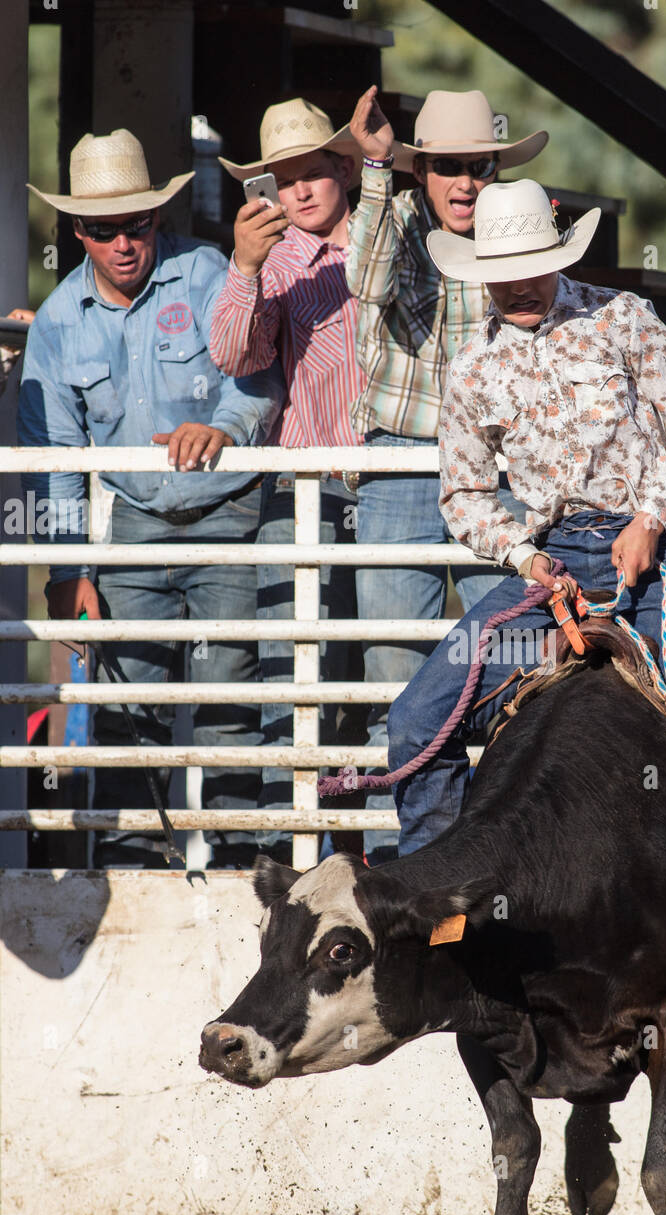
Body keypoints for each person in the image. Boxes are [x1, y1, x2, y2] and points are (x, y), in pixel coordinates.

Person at [386, 178, 666, 1030]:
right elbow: (464, 496)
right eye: (505, 271)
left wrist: (651, 517)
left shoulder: (621, 321)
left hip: (656, 553)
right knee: (416, 727)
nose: (522, 284)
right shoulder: (475, 369)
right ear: (480, 274)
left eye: (535, 265)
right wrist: (526, 558)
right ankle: (448, 925)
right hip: (549, 571)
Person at [19, 129, 283, 870]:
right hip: (130, 525)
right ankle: (134, 863)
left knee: (230, 697)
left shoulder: (208, 274)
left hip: (229, 510)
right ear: (77, 232)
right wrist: (67, 571)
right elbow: (55, 461)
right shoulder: (58, 321)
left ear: (156, 220)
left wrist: (223, 427)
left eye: (135, 225)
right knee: (127, 705)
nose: (123, 243)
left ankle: (241, 870)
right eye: (104, 230)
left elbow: (259, 380)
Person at [345, 86, 546, 864]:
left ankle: (491, 861)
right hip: (403, 462)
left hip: (495, 471)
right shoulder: (391, 218)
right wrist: (372, 167)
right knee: (394, 676)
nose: (465, 183)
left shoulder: (516, 234)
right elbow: (363, 282)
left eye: (479, 167)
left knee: (507, 674)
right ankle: (394, 871)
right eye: (449, 169)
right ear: (419, 172)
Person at [209, 98, 365, 865]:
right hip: (308, 483)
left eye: (313, 174)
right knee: (295, 679)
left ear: (343, 170)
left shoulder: (387, 244)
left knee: (385, 676)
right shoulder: (271, 261)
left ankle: (378, 860)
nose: (300, 192)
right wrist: (242, 265)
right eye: (284, 179)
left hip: (395, 486)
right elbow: (235, 358)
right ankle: (286, 859)